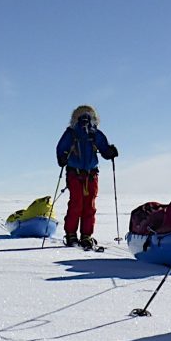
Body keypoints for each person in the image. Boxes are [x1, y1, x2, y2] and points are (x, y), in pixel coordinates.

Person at [55, 105, 119, 250]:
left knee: (82, 205)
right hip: (84, 174)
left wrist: (62, 157)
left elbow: (61, 148)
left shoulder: (77, 133)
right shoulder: (89, 133)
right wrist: (109, 152)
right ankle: (80, 235)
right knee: (83, 205)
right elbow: (104, 149)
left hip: (82, 174)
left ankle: (79, 235)